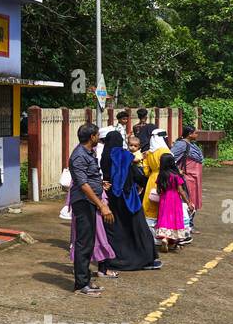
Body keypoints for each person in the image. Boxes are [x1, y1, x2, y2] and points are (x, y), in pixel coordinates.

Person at [98, 130, 162, 270]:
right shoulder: (124, 155)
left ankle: (116, 259)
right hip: (128, 197)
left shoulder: (105, 157)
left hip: (112, 199)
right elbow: (135, 172)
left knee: (116, 229)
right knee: (138, 227)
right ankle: (145, 259)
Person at [67, 123, 115, 297]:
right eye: (96, 135)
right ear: (92, 137)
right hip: (84, 202)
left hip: (90, 201)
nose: (98, 138)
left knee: (88, 243)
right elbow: (83, 185)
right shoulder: (79, 155)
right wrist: (102, 205)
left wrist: (100, 184)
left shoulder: (89, 152)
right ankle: (80, 284)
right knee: (83, 243)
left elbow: (89, 178)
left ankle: (85, 280)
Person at [153, 152, 192, 252]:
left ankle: (165, 238)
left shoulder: (161, 175)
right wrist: (188, 202)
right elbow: (181, 191)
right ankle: (169, 239)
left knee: (164, 218)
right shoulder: (175, 176)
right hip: (175, 199)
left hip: (164, 198)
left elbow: (159, 189)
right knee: (174, 218)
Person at [171, 125, 204, 232]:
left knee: (193, 199)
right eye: (195, 133)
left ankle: (189, 224)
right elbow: (171, 158)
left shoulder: (191, 144)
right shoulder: (181, 145)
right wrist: (178, 171)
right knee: (187, 201)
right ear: (190, 134)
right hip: (187, 177)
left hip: (194, 178)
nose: (197, 135)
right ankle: (187, 224)